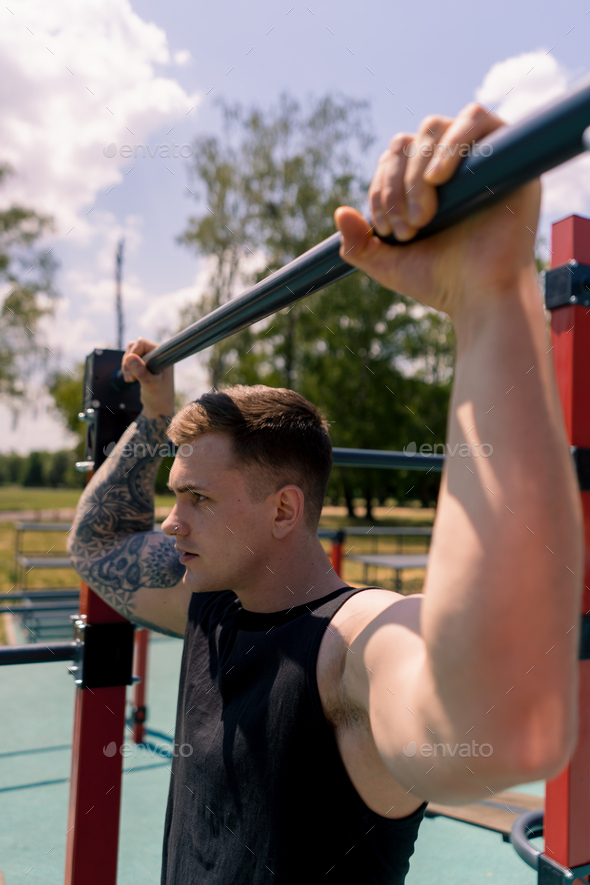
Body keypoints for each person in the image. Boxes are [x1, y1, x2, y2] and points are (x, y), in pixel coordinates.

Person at [68, 102, 583, 884]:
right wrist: (153, 419)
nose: (171, 522)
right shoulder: (210, 601)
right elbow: (95, 546)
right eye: (176, 496)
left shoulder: (352, 646)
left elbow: (502, 724)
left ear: (284, 509)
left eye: (199, 498)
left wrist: (489, 299)